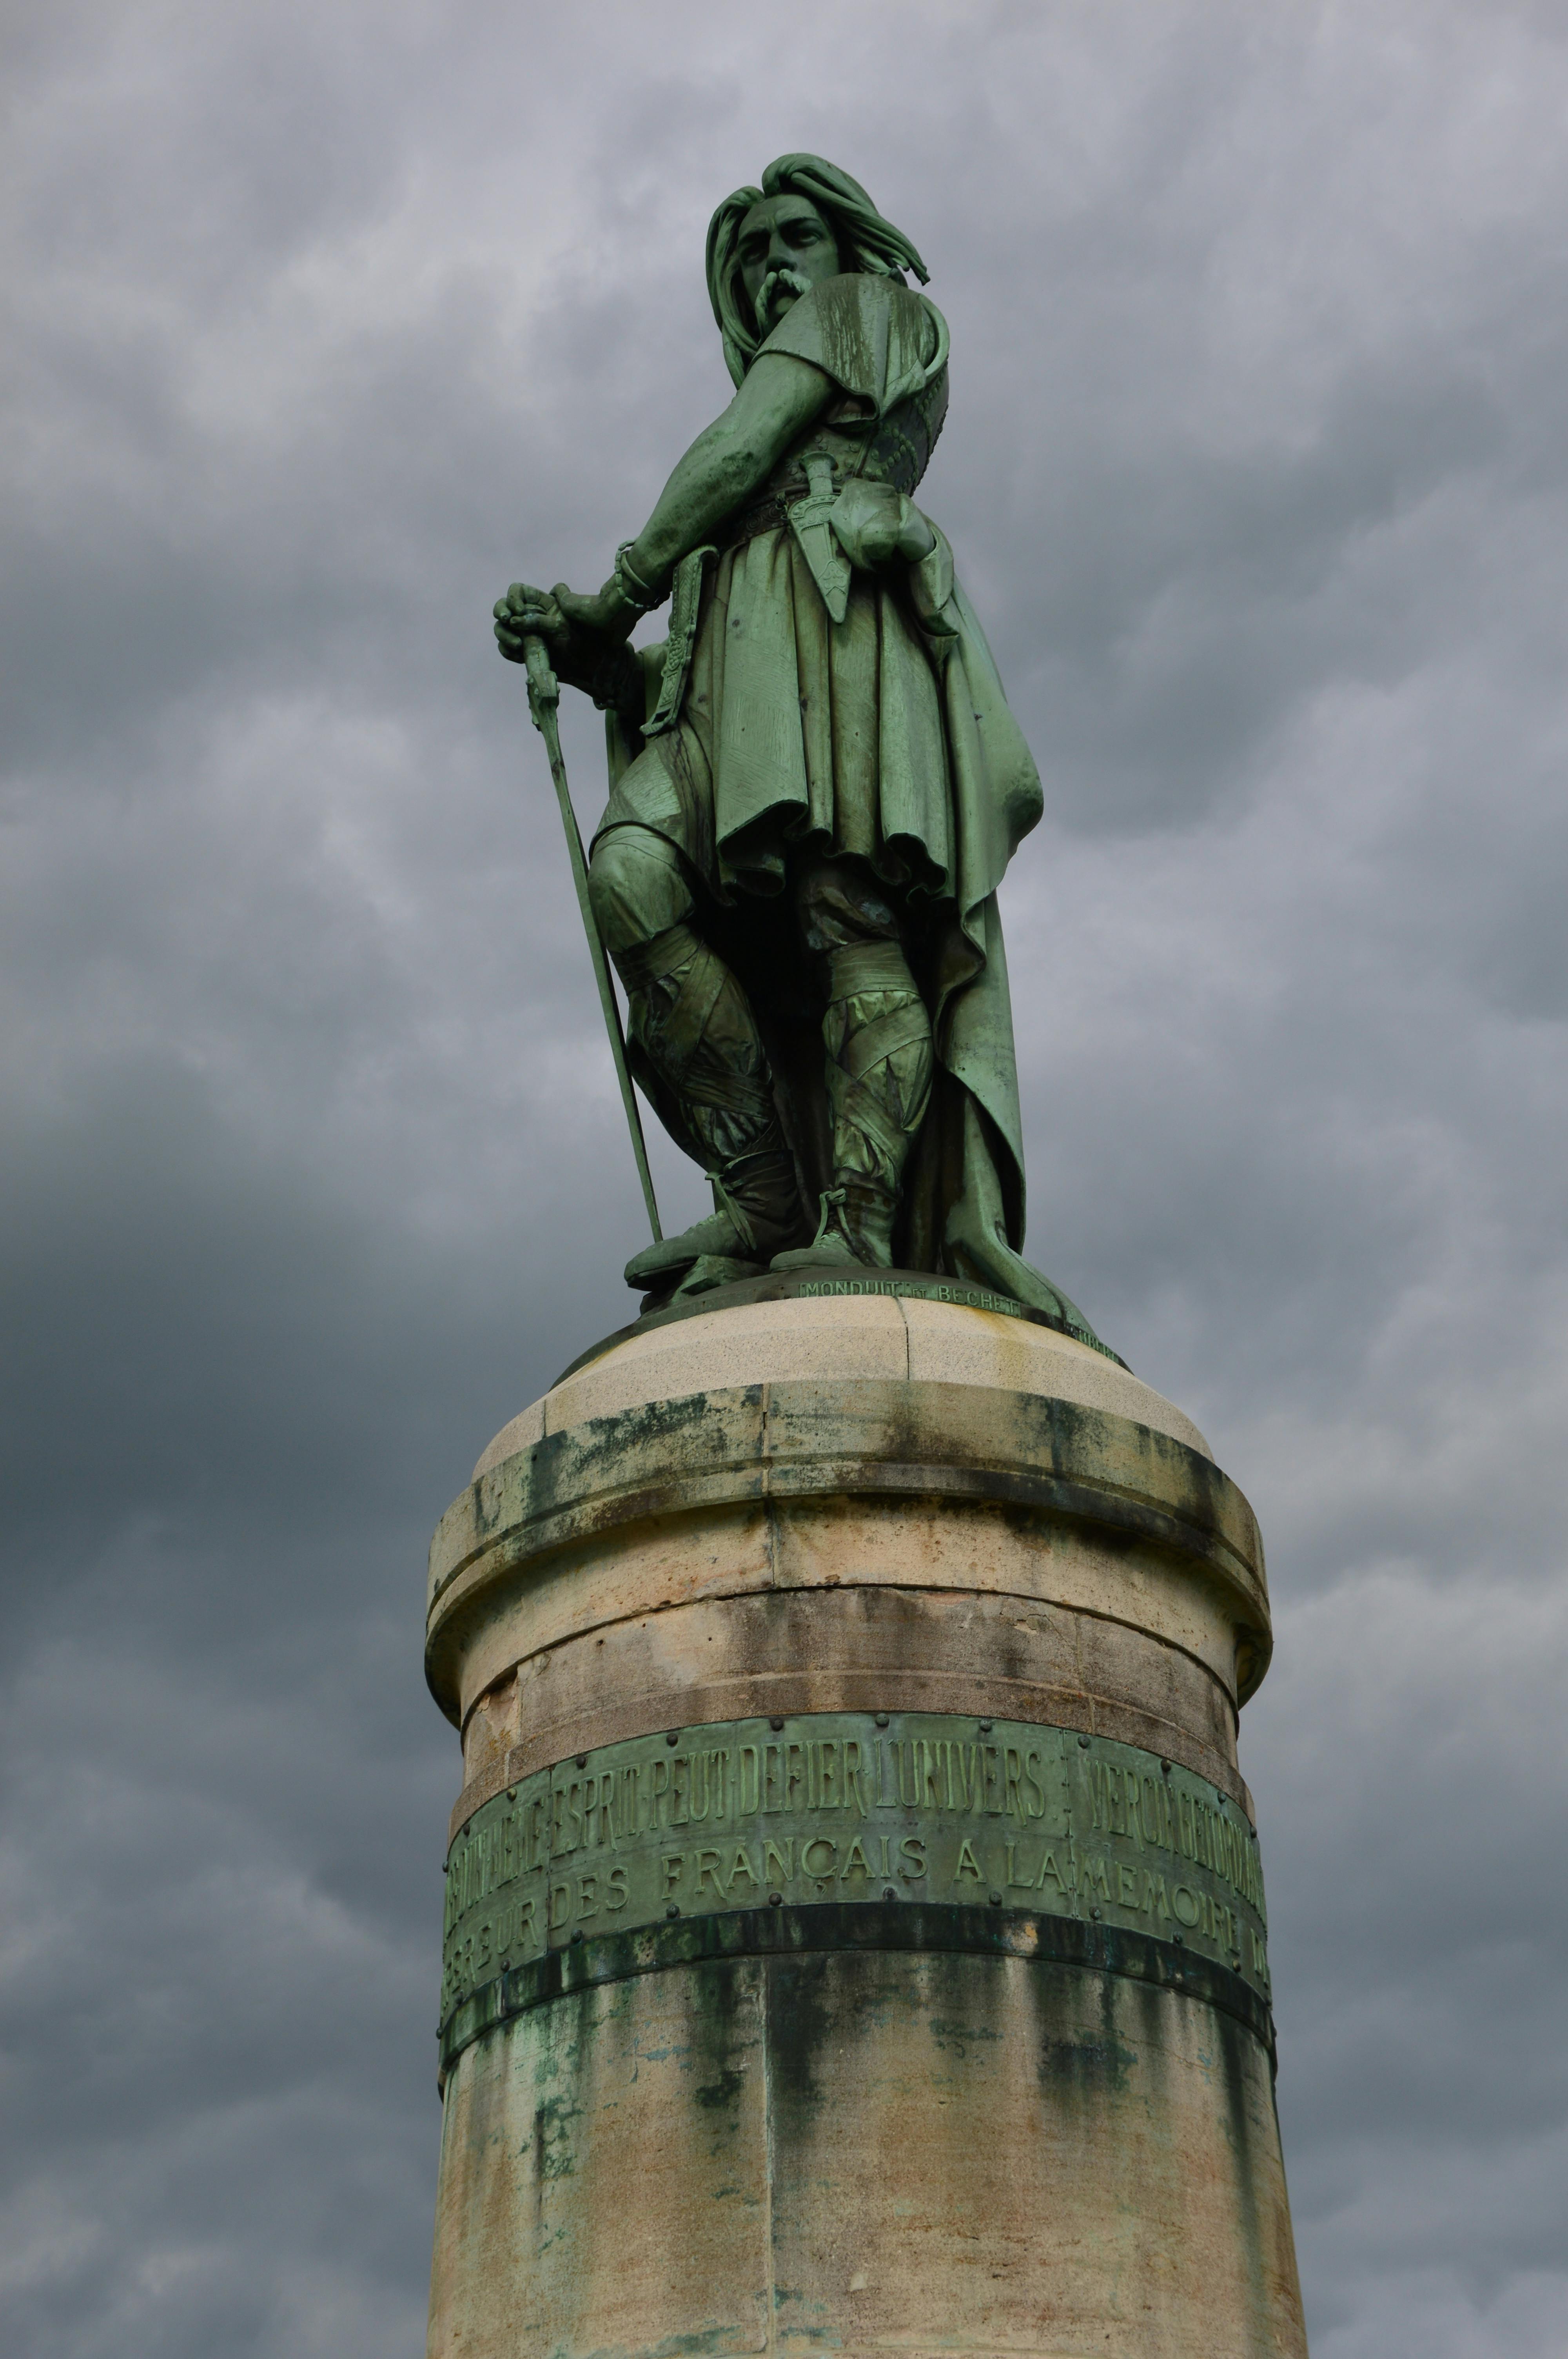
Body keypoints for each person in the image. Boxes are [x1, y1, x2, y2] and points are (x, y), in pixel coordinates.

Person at [496, 153, 1103, 1351]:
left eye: (795, 241)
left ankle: (862, 1220)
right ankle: (764, 1193)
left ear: (844, 254)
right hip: (743, 661)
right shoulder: (733, 534)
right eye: (755, 258)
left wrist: (614, 591)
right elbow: (688, 653)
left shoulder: (867, 313)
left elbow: (738, 446)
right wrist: (596, 652)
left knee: (849, 916)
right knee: (632, 878)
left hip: (840, 636)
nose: (776, 269)